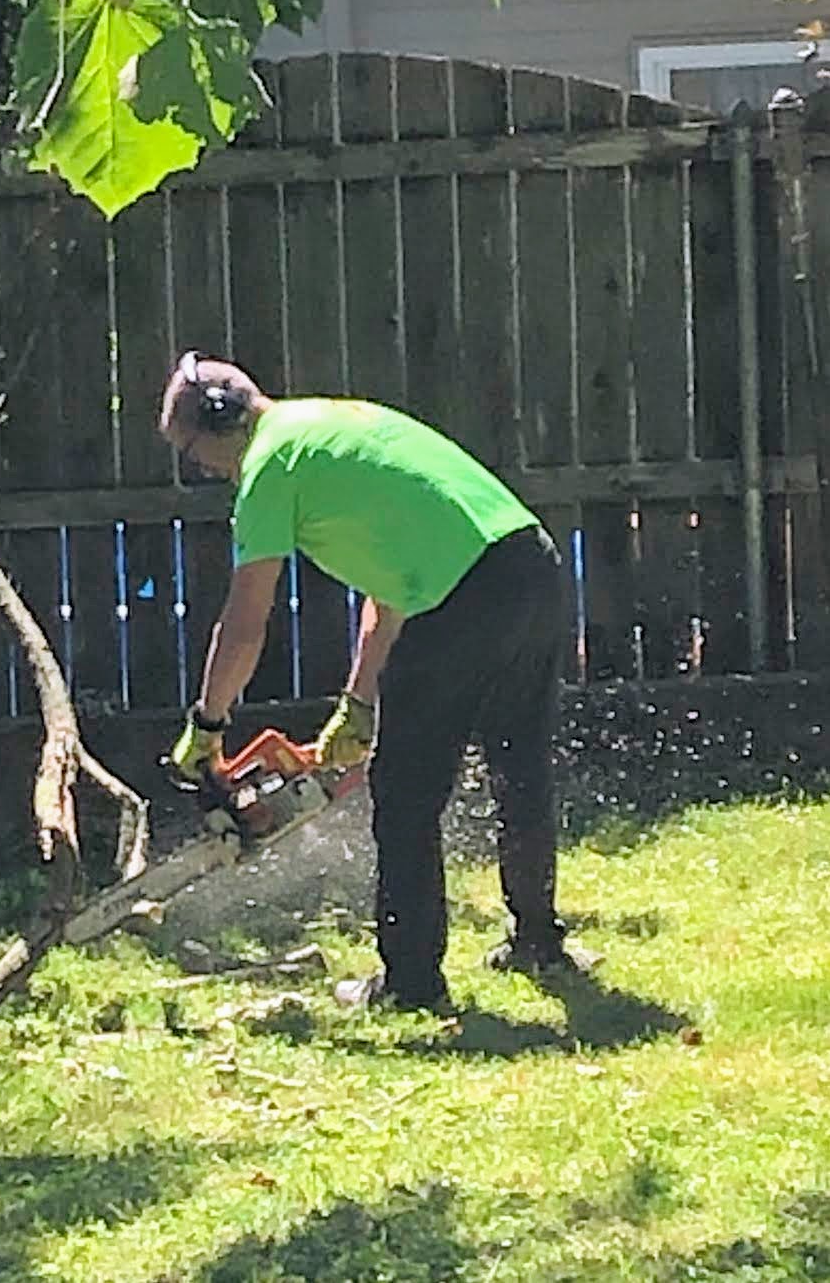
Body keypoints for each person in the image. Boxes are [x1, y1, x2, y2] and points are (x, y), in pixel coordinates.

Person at [161, 350, 586, 1012]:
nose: (204, 469)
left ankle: (411, 983)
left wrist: (207, 723)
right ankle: (538, 939)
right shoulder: (330, 421)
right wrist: (357, 702)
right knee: (518, 764)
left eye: (193, 454)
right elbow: (391, 585)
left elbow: (244, 622)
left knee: (404, 792)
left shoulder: (270, 468)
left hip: (464, 596)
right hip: (529, 565)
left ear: (217, 422)